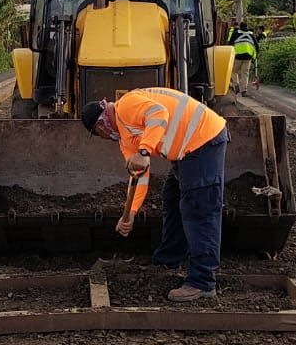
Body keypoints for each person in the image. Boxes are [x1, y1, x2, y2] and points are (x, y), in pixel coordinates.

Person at [81, 87, 226, 302]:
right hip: (185, 151)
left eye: (99, 134)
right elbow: (138, 176)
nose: (104, 138)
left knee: (198, 209)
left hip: (203, 139)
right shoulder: (125, 138)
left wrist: (144, 151)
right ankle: (169, 258)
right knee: (172, 197)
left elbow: (158, 113)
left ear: (101, 124)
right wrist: (129, 213)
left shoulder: (127, 105)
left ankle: (202, 282)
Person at [227, 21, 259, 95]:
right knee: (245, 73)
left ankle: (236, 85)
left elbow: (230, 44)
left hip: (238, 56)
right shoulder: (251, 34)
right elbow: (256, 46)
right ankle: (244, 90)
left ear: (240, 27)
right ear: (246, 27)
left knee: (233, 71)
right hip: (248, 57)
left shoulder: (236, 33)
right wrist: (255, 55)